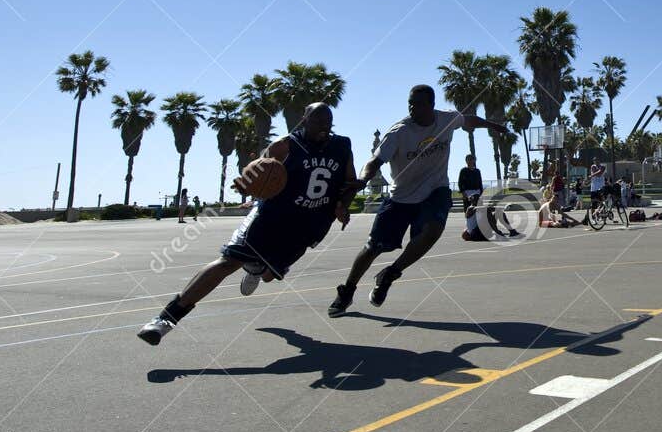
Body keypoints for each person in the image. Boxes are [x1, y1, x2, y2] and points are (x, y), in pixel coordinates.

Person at [138, 103, 354, 344]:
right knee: (229, 261)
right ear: (304, 121)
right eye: (317, 122)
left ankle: (254, 269)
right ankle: (165, 320)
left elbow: (350, 182)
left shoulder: (342, 145)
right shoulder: (285, 145)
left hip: (310, 223)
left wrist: (343, 205)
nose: (323, 128)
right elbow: (257, 172)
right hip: (272, 217)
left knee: (269, 276)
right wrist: (247, 183)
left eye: (328, 123)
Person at [329, 85, 509, 316]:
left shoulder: (447, 119)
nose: (413, 108)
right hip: (401, 197)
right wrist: (364, 179)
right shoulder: (399, 133)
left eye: (418, 104)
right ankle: (347, 291)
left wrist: (493, 125)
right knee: (373, 247)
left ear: (431, 105)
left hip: (436, 190)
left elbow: (469, 120)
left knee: (433, 229)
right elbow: (375, 161)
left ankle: (390, 273)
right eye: (410, 103)